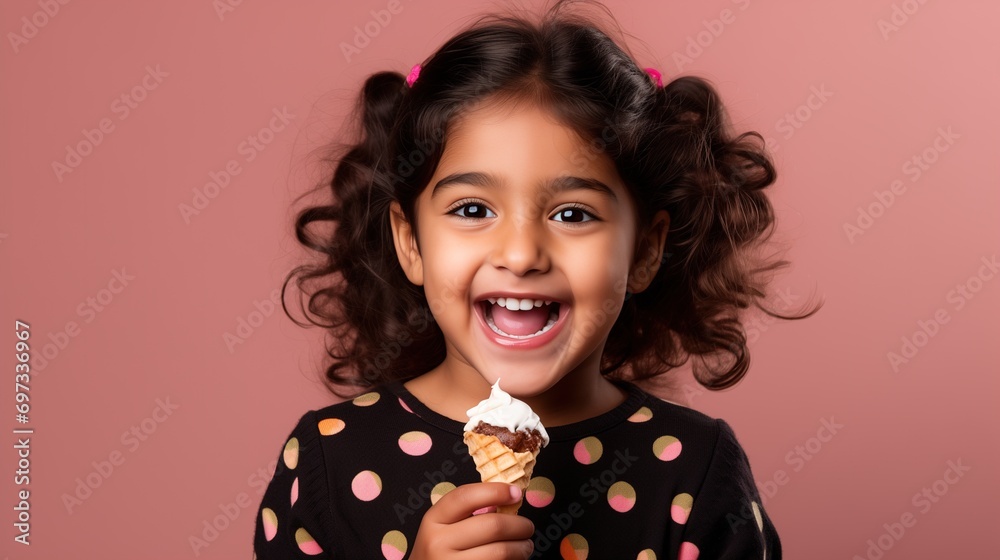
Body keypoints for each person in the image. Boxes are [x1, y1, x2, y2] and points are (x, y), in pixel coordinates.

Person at [252, 0, 820, 558]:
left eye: (573, 214)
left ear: (645, 251)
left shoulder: (693, 471)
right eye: (473, 210)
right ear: (410, 242)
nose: (521, 255)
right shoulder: (331, 460)